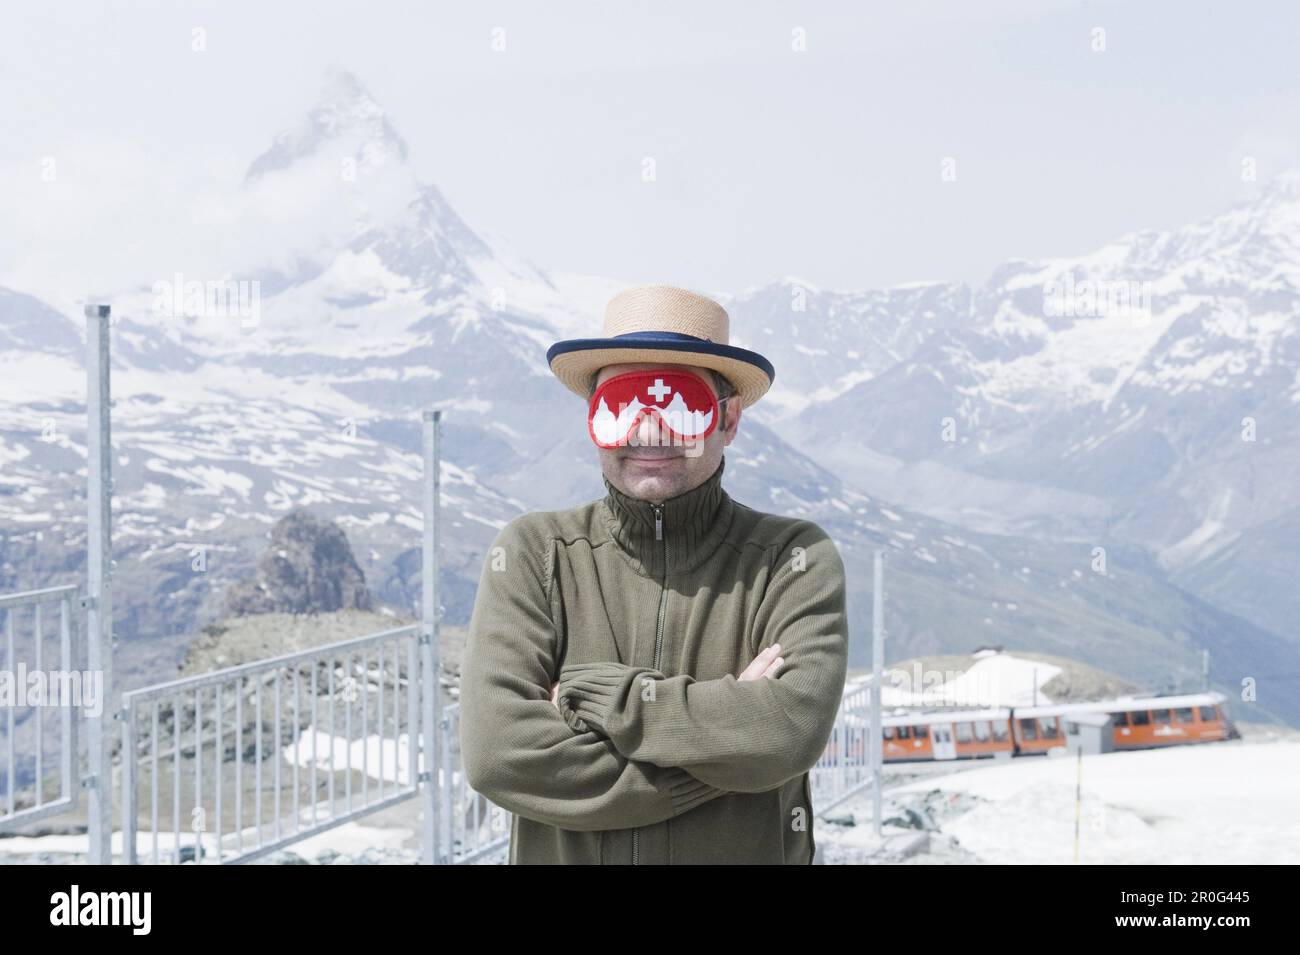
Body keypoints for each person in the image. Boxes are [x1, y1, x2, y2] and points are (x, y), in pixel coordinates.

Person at [458, 284, 849, 864]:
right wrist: (723, 747)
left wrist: (597, 695)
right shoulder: (533, 553)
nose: (648, 430)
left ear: (729, 418)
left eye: (678, 404)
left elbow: (786, 735)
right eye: (621, 405)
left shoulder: (791, 559)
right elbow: (499, 756)